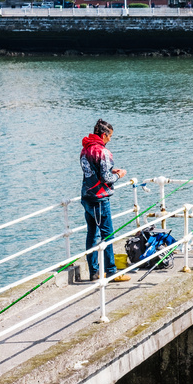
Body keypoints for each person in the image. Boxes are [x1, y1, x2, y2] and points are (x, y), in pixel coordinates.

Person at [81, 119, 130, 282]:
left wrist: (109, 170)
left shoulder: (85, 149)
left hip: (87, 197)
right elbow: (106, 178)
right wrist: (119, 175)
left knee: (91, 234)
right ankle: (111, 271)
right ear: (104, 135)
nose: (110, 139)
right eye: (110, 136)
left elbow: (92, 170)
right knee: (108, 235)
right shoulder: (103, 152)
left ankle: (93, 271)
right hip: (100, 199)